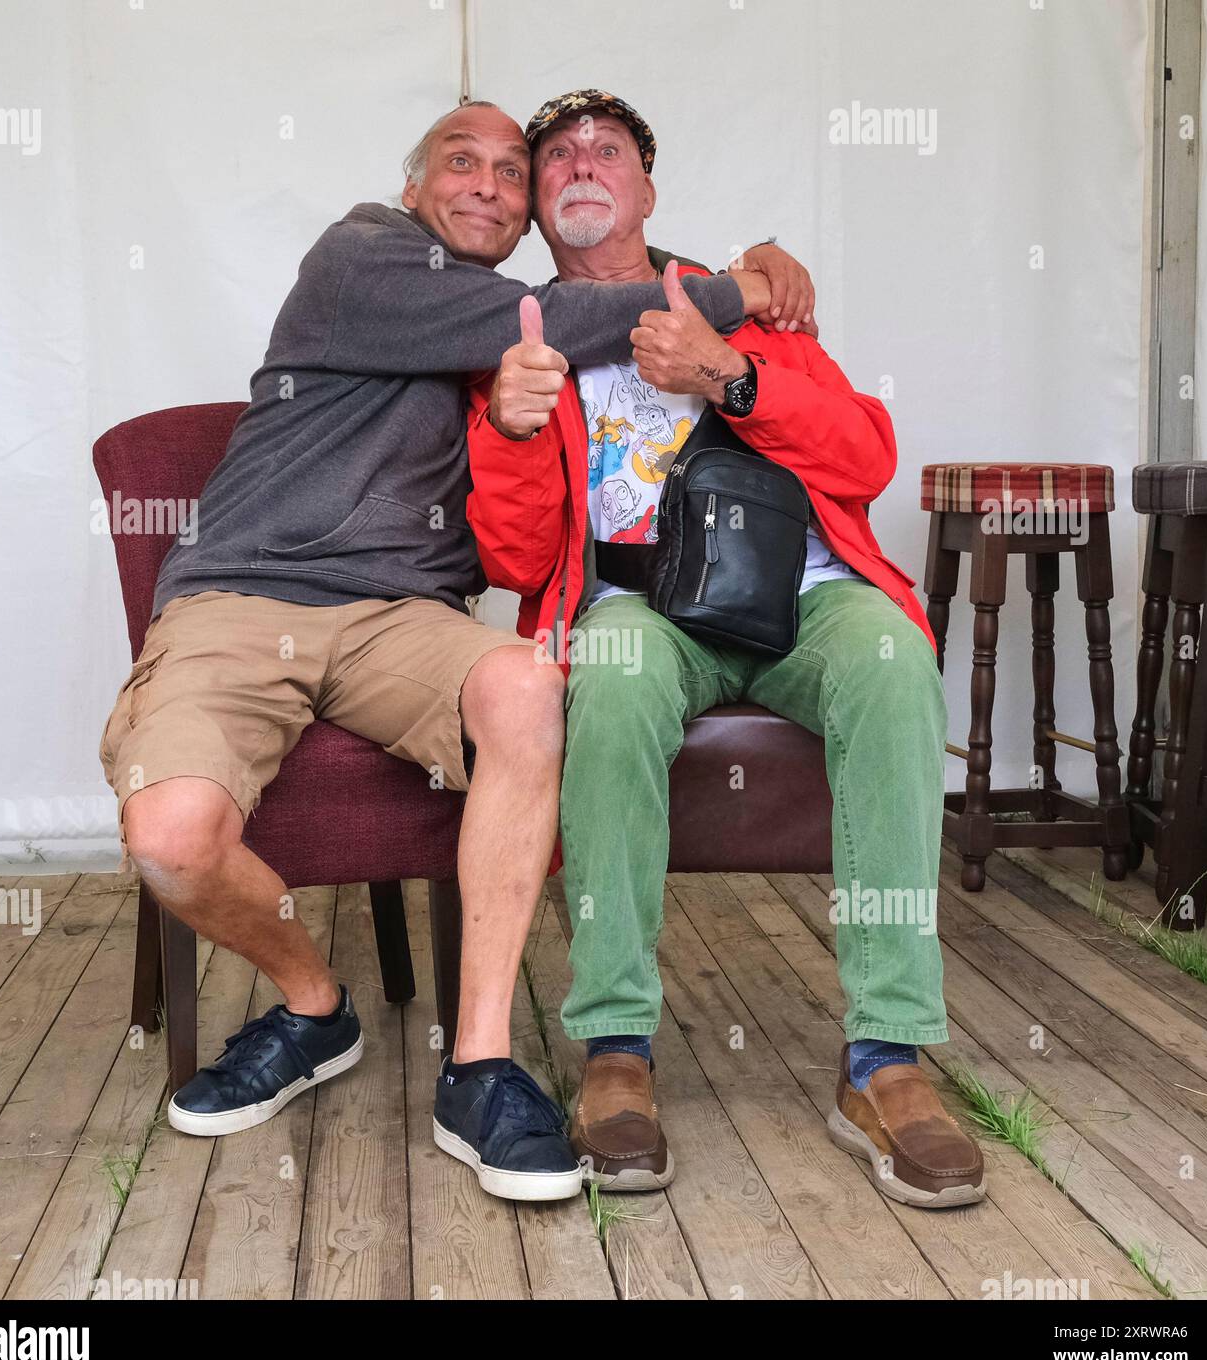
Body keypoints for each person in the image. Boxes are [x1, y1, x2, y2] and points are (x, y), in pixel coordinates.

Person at [100, 97, 812, 1202]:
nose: (486, 182)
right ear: (414, 185)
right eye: (459, 161)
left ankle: (477, 1062)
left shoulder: (507, 333)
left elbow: (555, 463)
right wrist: (740, 286)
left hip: (404, 616)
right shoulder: (363, 252)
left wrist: (725, 289)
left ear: (531, 211)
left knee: (530, 686)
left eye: (509, 173)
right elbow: (557, 316)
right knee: (173, 837)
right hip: (244, 599)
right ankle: (312, 1004)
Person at [465, 90, 986, 1207]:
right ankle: (615, 1047)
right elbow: (513, 559)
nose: (581, 165)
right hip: (641, 606)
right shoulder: (522, 338)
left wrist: (726, 375)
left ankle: (886, 1058)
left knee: (896, 662)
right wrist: (508, 428)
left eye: (607, 149)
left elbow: (864, 457)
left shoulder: (743, 305)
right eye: (556, 156)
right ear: (535, 205)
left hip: (803, 593)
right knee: (605, 675)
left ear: (648, 190)